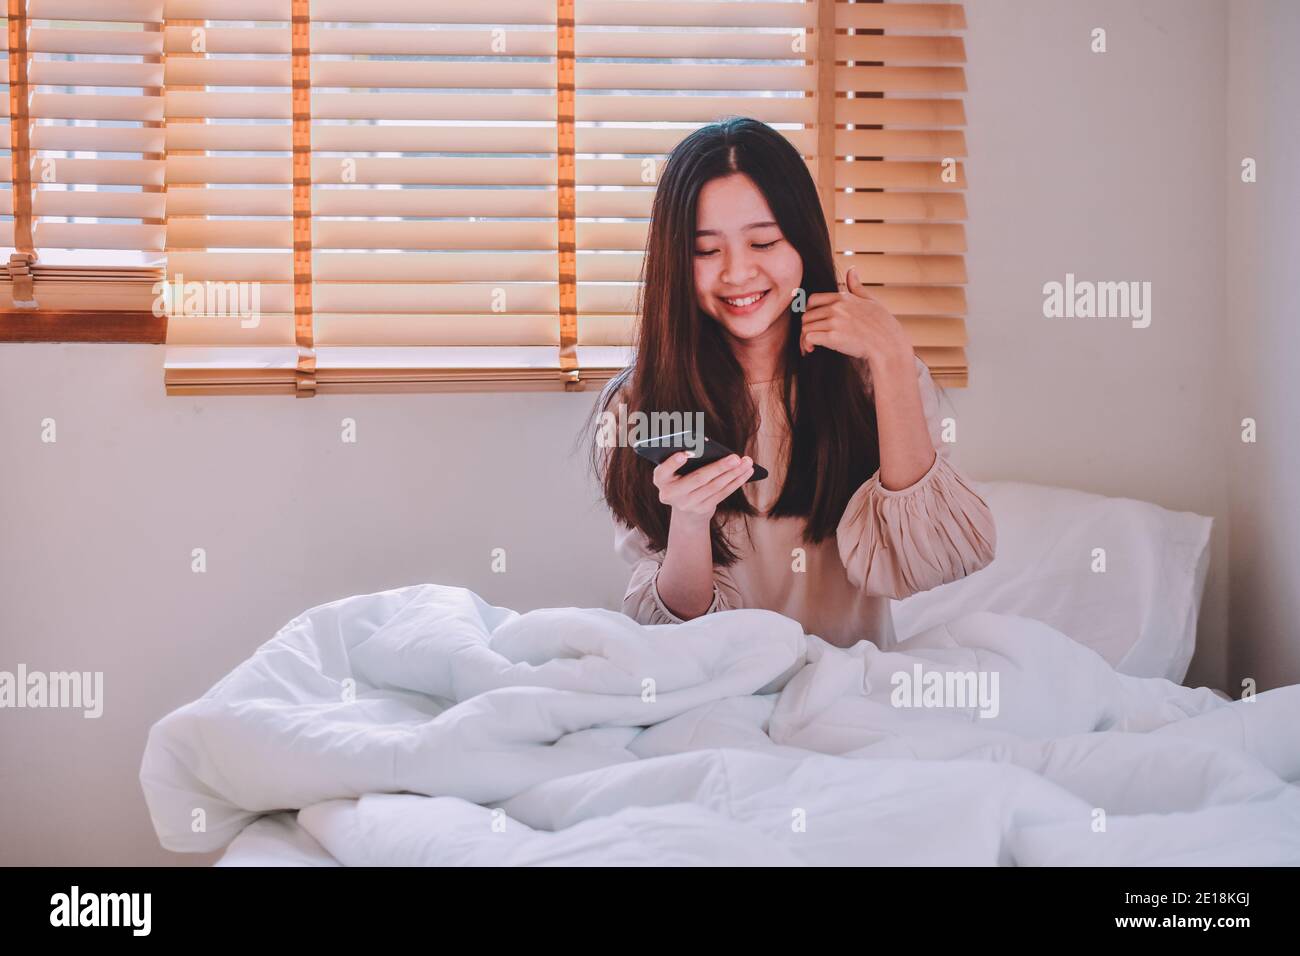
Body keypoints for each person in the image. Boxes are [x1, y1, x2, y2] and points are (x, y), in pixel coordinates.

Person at [586, 117, 996, 649]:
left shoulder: (868, 379)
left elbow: (931, 563)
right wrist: (689, 521)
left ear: (802, 243)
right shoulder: (637, 406)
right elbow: (671, 640)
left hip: (850, 693)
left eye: (764, 242)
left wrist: (892, 354)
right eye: (706, 251)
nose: (737, 272)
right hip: (720, 693)